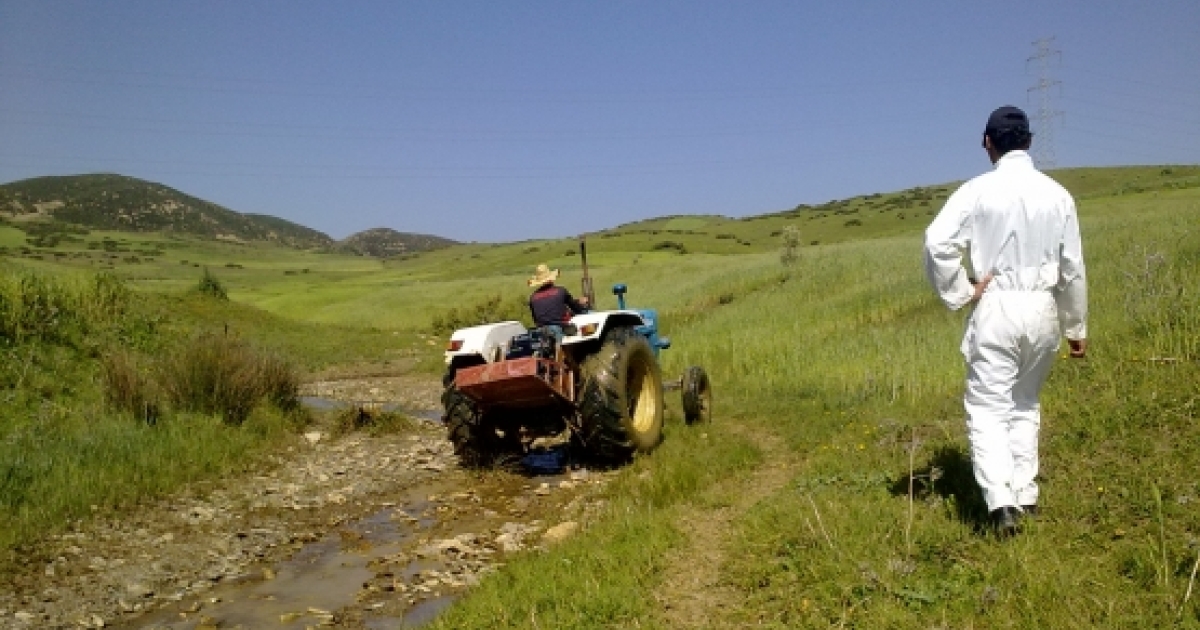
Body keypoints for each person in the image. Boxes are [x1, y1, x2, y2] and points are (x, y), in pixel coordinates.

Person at [923, 105, 1088, 536]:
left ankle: (1000, 504)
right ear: (1029, 141)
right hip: (1043, 308)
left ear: (987, 143)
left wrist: (962, 292)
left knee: (988, 406)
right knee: (1025, 403)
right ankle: (1026, 493)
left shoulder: (976, 191)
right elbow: (1072, 268)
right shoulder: (1058, 195)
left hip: (998, 303)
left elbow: (937, 242)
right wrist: (1076, 327)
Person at [527, 264, 589, 335]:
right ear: (551, 279)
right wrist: (581, 305)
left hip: (542, 331)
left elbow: (536, 319)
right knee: (589, 313)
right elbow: (575, 308)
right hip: (560, 328)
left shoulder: (532, 298)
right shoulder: (561, 291)